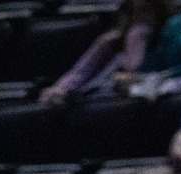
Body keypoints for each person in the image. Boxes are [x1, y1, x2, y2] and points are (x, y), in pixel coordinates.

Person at [42, 0, 171, 103]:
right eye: (136, 11)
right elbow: (78, 75)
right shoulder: (110, 42)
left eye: (147, 10)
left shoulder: (173, 41)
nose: (141, 18)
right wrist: (60, 89)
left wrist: (137, 40)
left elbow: (136, 70)